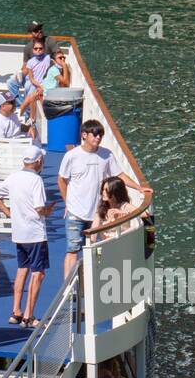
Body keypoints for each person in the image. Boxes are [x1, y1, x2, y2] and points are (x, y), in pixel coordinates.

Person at [58, 120, 149, 281]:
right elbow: (62, 180)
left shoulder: (106, 155)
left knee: (99, 248)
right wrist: (67, 203)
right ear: (84, 135)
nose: (98, 137)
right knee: (72, 250)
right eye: (95, 134)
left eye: (101, 134)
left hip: (99, 212)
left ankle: (97, 281)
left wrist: (138, 188)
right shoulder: (72, 156)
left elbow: (119, 175)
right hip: (76, 213)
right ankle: (68, 288)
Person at [0, 146, 57, 327]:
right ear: (38, 162)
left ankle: (16, 312)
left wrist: (7, 211)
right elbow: (39, 209)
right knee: (38, 274)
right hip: (35, 234)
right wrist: (48, 211)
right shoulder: (36, 181)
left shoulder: (14, 177)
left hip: (19, 233)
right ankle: (29, 316)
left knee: (22, 270)